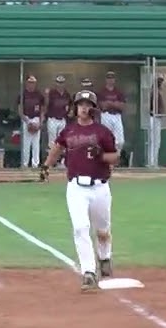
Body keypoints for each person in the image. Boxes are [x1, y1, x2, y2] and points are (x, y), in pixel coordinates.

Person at [40, 90, 120, 292]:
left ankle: (105, 258)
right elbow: (58, 147)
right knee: (80, 228)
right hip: (76, 187)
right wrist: (46, 166)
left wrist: (101, 155)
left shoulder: (102, 132)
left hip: (100, 186)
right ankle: (88, 272)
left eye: (87, 104)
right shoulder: (69, 131)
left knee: (102, 231)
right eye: (80, 104)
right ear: (75, 108)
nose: (83, 107)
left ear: (93, 108)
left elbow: (115, 157)